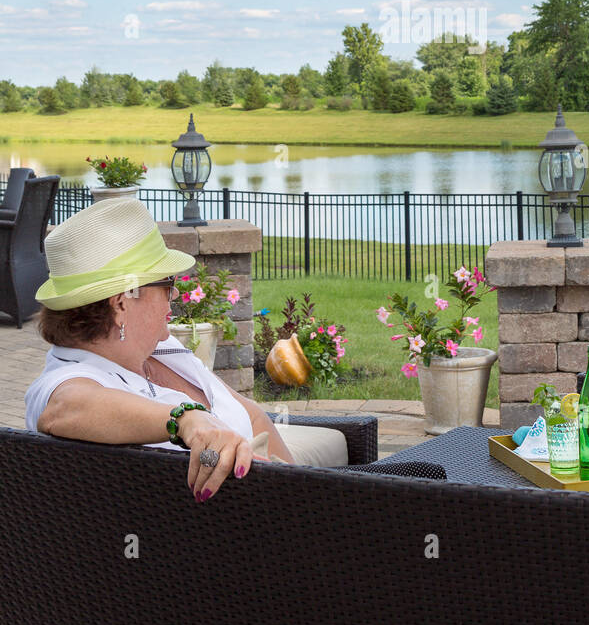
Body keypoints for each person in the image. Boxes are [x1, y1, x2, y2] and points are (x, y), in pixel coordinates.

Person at [25, 198, 348, 498]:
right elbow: (64, 409)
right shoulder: (71, 380)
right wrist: (186, 419)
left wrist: (302, 498)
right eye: (167, 284)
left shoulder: (161, 348)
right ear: (122, 301)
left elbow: (253, 416)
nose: (176, 295)